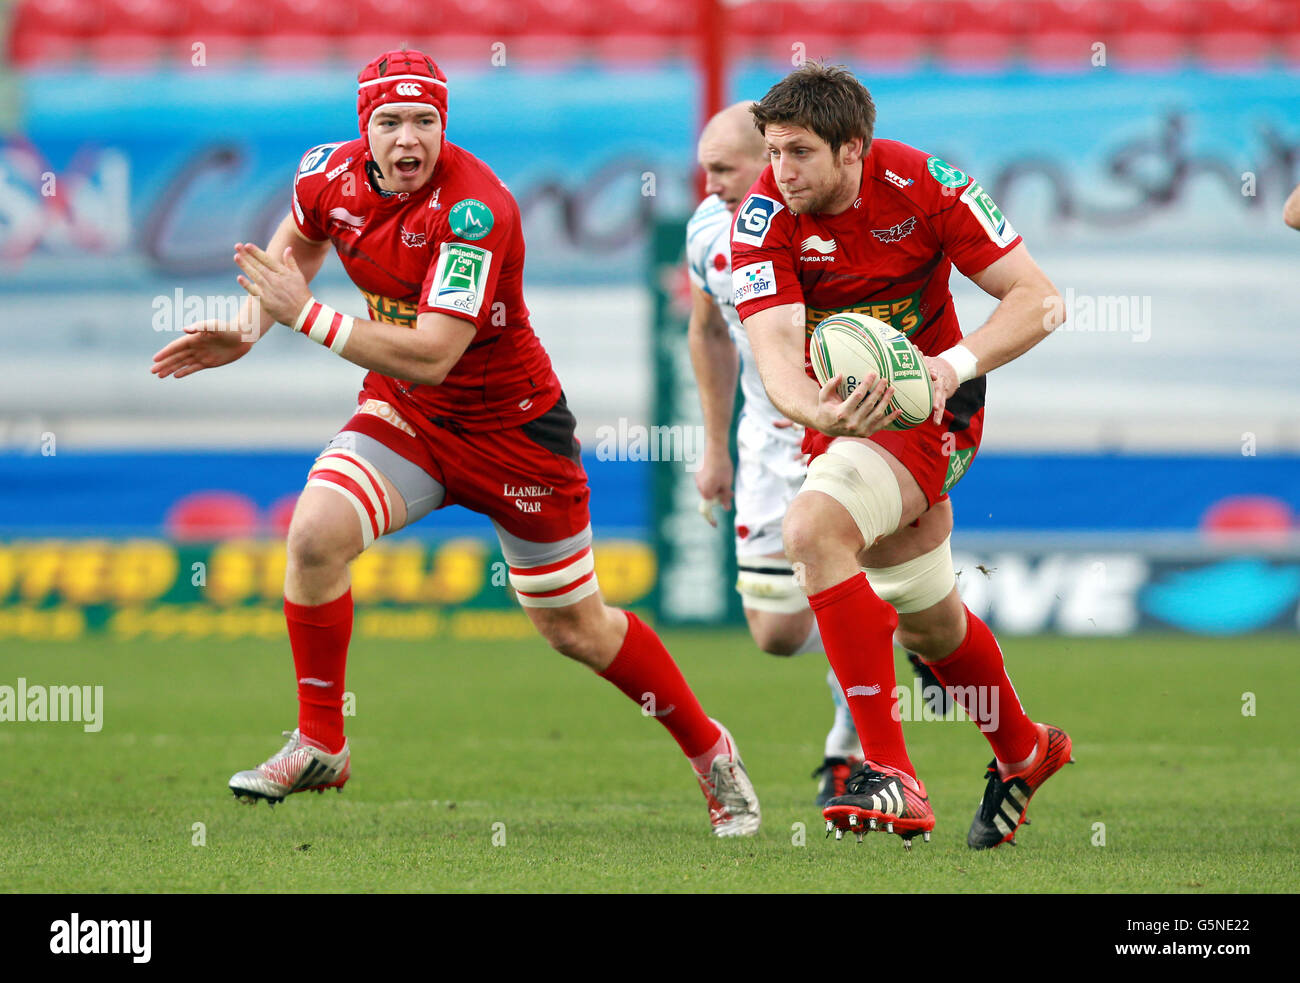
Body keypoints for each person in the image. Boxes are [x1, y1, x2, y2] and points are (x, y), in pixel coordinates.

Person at [150, 48, 760, 838]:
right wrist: (246, 326)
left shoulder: (475, 209)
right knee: (313, 536)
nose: (410, 139)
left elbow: (434, 351)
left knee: (577, 626)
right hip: (409, 415)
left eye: (426, 121)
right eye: (391, 121)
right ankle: (320, 743)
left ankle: (711, 750)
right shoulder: (322, 176)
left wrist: (304, 316)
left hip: (513, 432)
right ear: (363, 128)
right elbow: (297, 249)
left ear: (445, 125)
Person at [731, 62, 1072, 849]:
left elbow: (1039, 297)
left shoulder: (929, 185)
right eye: (772, 151)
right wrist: (816, 408)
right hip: (841, 408)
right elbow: (776, 353)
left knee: (814, 529)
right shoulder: (763, 216)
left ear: (854, 149)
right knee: (928, 622)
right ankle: (1025, 749)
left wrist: (951, 365)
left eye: (799, 153)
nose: (780, 170)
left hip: (937, 401)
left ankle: (891, 771)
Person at [689, 102, 949, 805]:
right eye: (705, 169)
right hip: (768, 441)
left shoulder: (830, 225)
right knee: (776, 631)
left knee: (839, 557)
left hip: (851, 427)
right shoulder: (708, 235)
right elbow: (710, 331)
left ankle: (858, 746)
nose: (711, 183)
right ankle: (899, 632)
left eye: (725, 168)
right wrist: (715, 446)